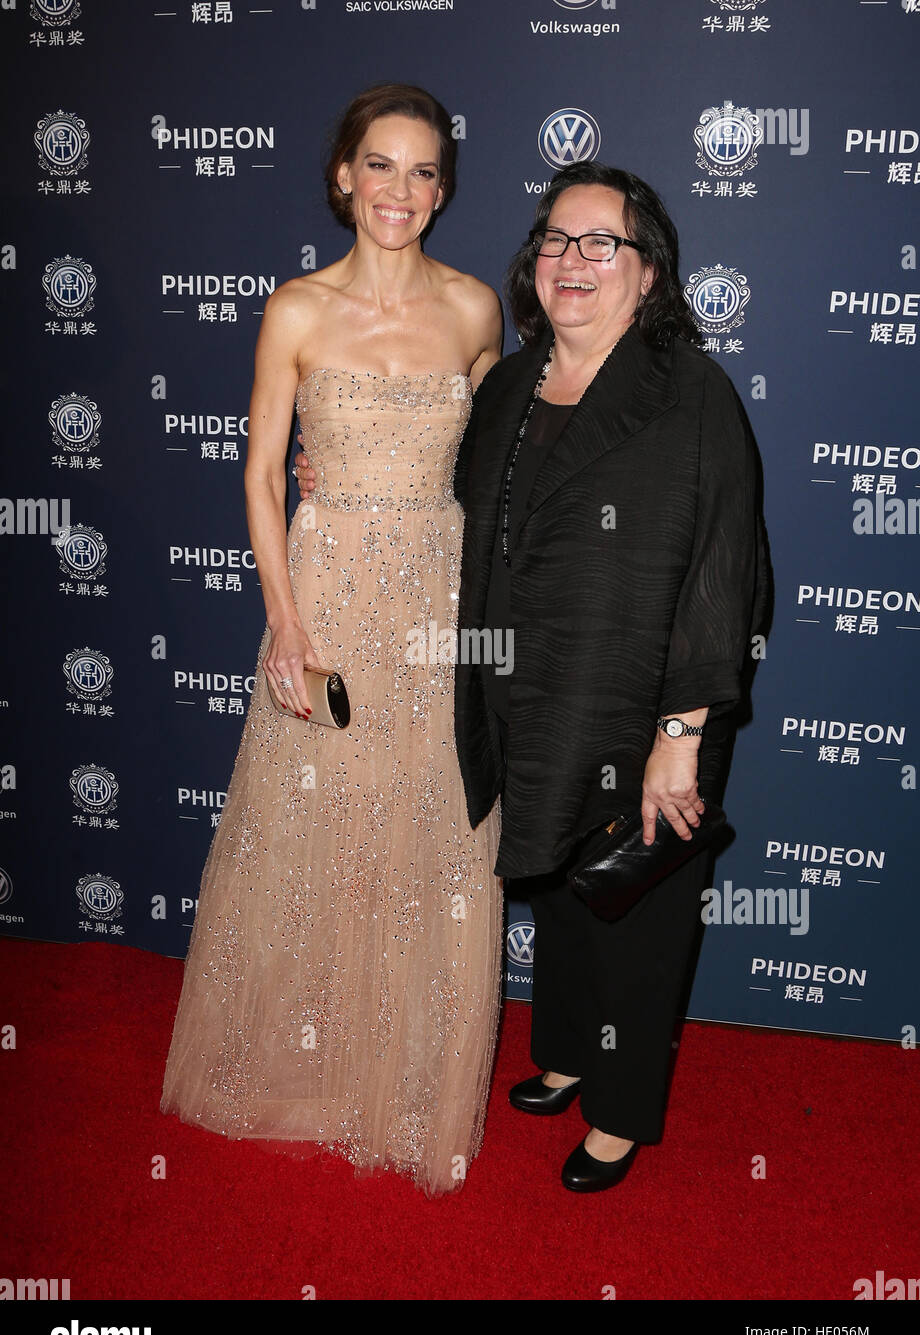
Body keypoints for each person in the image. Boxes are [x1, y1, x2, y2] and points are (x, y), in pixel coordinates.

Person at [160, 82, 504, 1197]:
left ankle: (408, 1077)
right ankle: (309, 1070)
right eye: (378, 165)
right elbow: (262, 472)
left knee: (429, 832)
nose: (397, 189)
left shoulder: (473, 309)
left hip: (439, 596)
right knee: (312, 829)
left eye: (419, 171)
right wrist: (285, 617)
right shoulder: (295, 308)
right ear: (342, 176)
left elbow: (499, 466)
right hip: (328, 591)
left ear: (441, 190)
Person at [451, 161, 770, 1192]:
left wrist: (679, 732)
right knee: (558, 886)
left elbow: (726, 567)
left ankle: (620, 1109)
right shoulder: (509, 383)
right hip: (533, 694)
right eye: (554, 239)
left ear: (647, 274)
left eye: (601, 243)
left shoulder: (688, 393)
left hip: (645, 708)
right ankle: (570, 1049)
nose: (571, 260)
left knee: (635, 909)